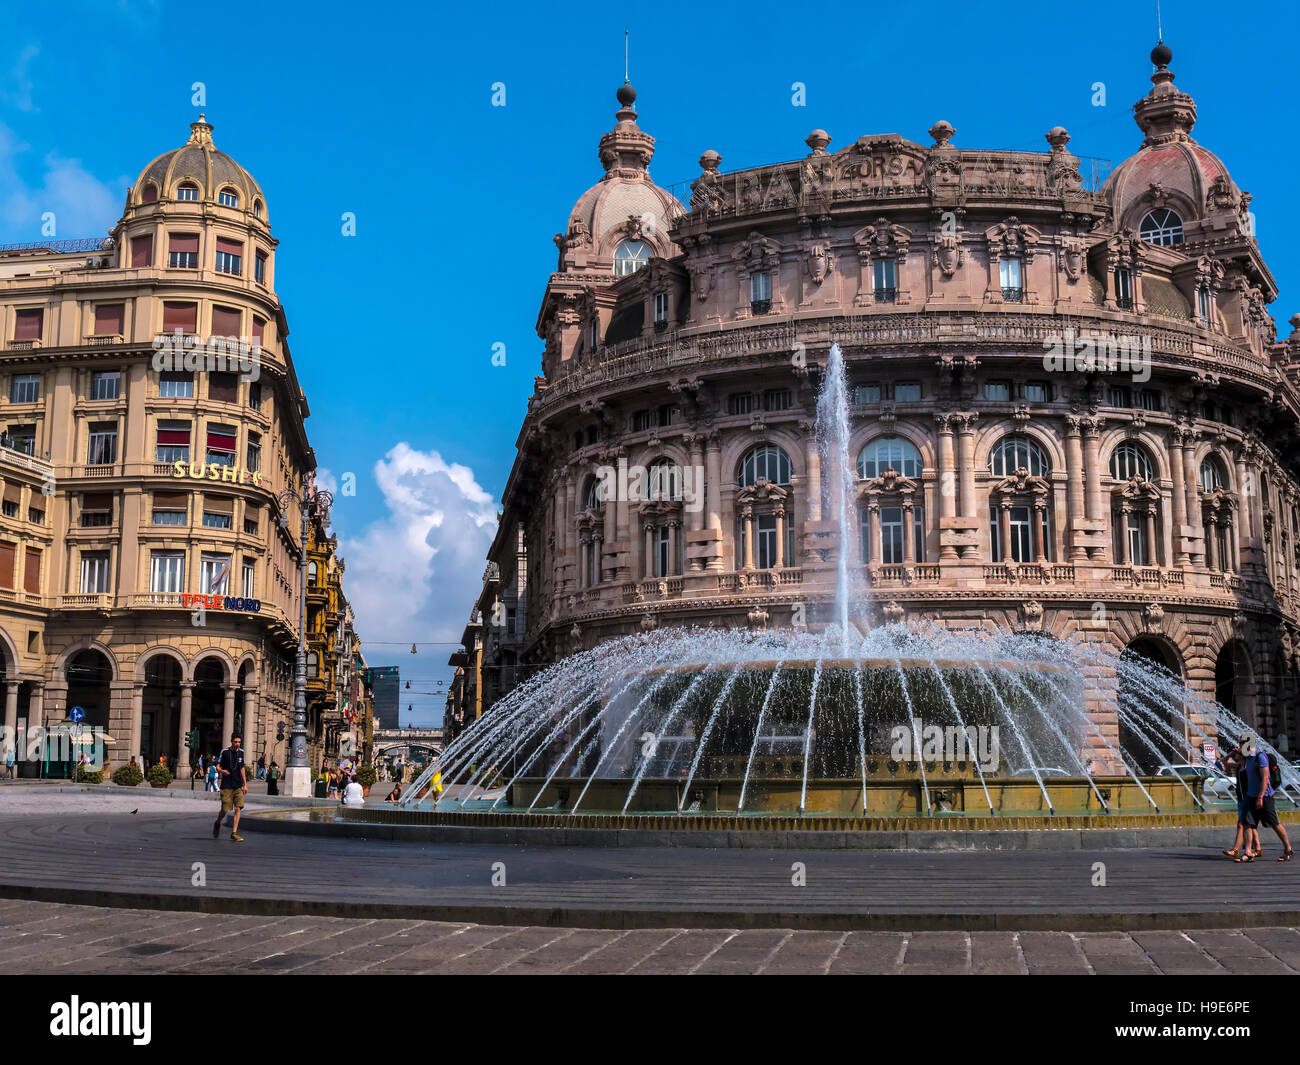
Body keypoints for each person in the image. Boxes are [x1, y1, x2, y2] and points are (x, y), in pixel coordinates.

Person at [1243, 736, 1292, 862]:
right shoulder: (1248, 758)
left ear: (1248, 744)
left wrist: (1260, 797)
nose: (1240, 745)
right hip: (1251, 795)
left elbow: (1265, 779)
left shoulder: (1260, 757)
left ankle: (1288, 849)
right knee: (1247, 823)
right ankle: (1248, 852)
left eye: (1242, 743)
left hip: (1264, 796)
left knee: (1274, 823)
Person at [213, 732, 247, 842]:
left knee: (238, 808)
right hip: (227, 785)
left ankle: (234, 833)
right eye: (235, 742)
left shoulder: (241, 753)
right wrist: (222, 771)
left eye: (239, 742)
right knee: (225, 809)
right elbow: (217, 766)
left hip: (238, 785)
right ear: (231, 741)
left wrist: (245, 784)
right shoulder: (225, 752)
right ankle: (218, 822)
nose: (237, 744)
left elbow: (242, 769)